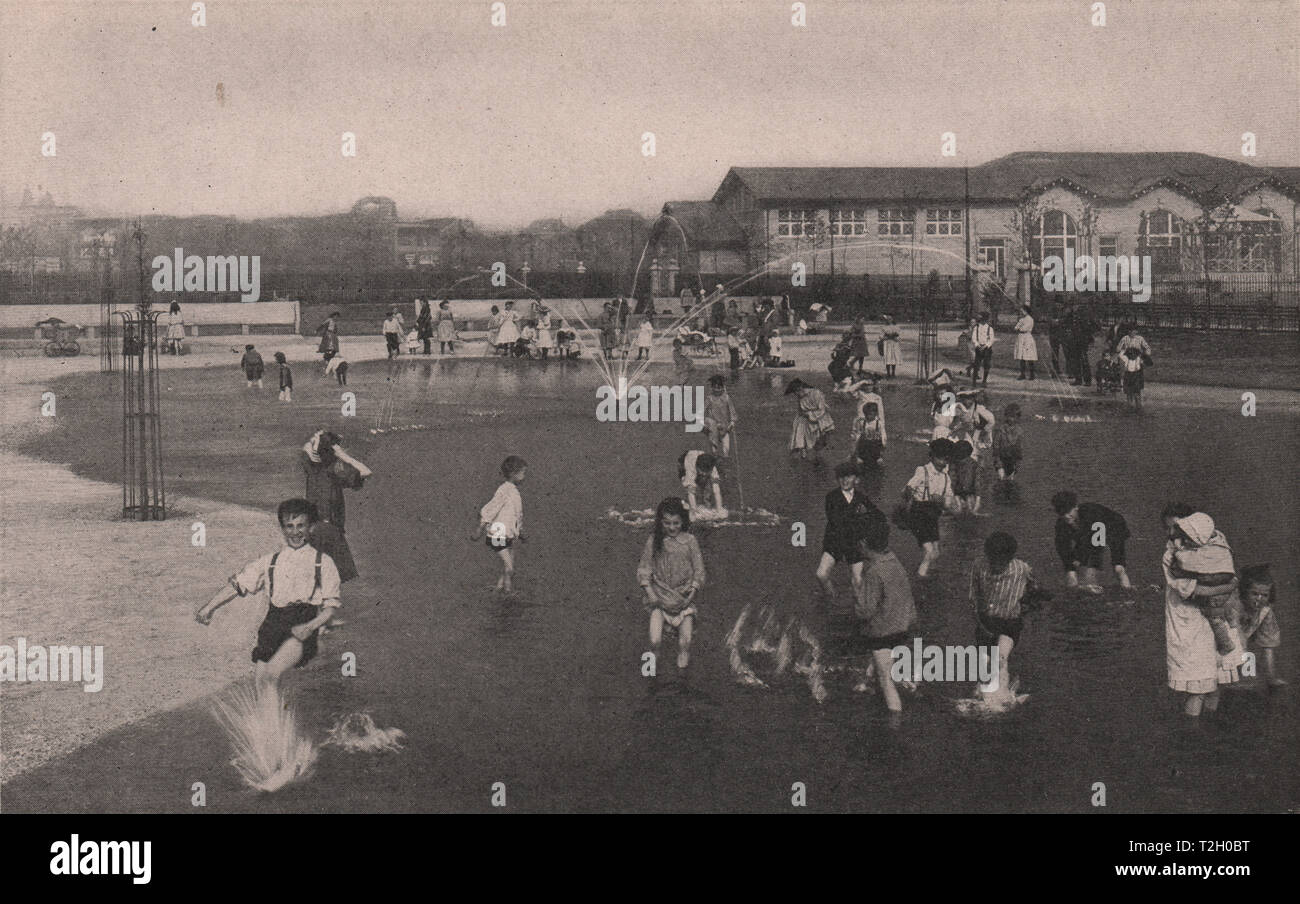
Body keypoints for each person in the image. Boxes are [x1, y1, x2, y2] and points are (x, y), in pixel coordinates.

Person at [196, 498, 342, 685]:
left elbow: (330, 608)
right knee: (261, 683)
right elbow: (237, 585)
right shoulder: (270, 561)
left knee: (270, 676)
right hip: (272, 626)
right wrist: (209, 608)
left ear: (311, 528)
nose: (295, 532)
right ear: (282, 529)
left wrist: (311, 626)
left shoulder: (323, 562)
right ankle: (272, 714)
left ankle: (276, 712)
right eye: (289, 526)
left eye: (301, 526)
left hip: (302, 625)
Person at [1161, 503, 1243, 719]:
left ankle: (1209, 732)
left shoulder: (1216, 548)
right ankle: (1192, 737)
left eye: (1176, 528)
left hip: (1218, 620)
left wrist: (1229, 589)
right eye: (1167, 528)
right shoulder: (1173, 556)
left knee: (1217, 683)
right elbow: (1193, 590)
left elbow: (1226, 571)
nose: (1171, 534)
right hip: (1190, 624)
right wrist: (1228, 586)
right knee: (1197, 689)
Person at [970, 531, 1047, 703]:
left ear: (1010, 559)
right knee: (986, 662)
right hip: (985, 622)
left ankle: (1003, 696)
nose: (996, 566)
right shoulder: (979, 566)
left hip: (1010, 622)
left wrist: (1034, 604)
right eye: (992, 561)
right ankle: (982, 692)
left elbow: (1036, 589)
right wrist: (978, 620)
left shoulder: (1022, 568)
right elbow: (973, 597)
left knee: (1000, 659)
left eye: (1001, 563)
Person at [638, 497, 706, 677]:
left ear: (683, 521)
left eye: (676, 523)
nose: (672, 527)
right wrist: (651, 594)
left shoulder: (690, 541)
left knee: (685, 644)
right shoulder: (654, 540)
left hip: (684, 602)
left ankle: (681, 679)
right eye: (667, 523)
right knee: (654, 641)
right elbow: (644, 570)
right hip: (659, 600)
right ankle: (650, 676)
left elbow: (699, 571)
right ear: (660, 522)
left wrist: (692, 593)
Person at [854, 518, 916, 714]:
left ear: (863, 544)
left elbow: (865, 611)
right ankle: (864, 683)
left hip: (882, 634)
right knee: (885, 667)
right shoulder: (893, 560)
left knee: (886, 680)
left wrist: (856, 592)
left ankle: (895, 722)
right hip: (902, 627)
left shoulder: (873, 572)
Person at [1166, 513, 1240, 655]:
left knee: (1213, 616)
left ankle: (1226, 643)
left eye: (1189, 538)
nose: (1186, 541)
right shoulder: (1219, 542)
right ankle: (1231, 623)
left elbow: (1186, 563)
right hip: (1227, 585)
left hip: (1213, 589)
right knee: (1226, 610)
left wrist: (1179, 551)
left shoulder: (1204, 553)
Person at [817, 461, 884, 604]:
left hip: (855, 544)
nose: (844, 480)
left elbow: (877, 517)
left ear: (857, 480)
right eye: (841, 477)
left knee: (858, 581)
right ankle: (832, 597)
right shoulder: (831, 497)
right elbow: (836, 520)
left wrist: (867, 523)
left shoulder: (862, 498)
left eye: (848, 477)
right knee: (821, 574)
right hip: (835, 542)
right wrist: (861, 516)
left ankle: (858, 607)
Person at [1051, 491, 1133, 592]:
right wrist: (1071, 572)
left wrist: (1090, 579)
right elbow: (1063, 549)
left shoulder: (1092, 515)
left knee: (1118, 568)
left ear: (1076, 507)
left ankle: (1128, 593)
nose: (1066, 516)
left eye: (1068, 511)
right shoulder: (1061, 525)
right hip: (1086, 533)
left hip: (1114, 527)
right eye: (1062, 513)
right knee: (1075, 567)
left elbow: (1097, 549)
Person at [470, 456, 528, 593]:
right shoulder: (504, 490)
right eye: (523, 473)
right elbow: (492, 508)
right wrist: (480, 527)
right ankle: (508, 591)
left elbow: (517, 514)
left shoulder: (514, 491)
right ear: (514, 474)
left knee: (508, 564)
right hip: (497, 535)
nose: (525, 476)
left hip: (508, 535)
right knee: (509, 567)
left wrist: (520, 531)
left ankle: (499, 588)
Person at [901, 437, 954, 577]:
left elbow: (948, 502)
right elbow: (908, 488)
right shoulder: (922, 471)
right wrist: (908, 492)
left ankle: (919, 571)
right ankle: (920, 576)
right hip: (918, 514)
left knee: (935, 552)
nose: (942, 462)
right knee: (929, 551)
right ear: (931, 456)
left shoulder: (946, 478)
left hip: (933, 516)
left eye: (946, 459)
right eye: (939, 458)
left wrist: (942, 500)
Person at [1235, 564, 1286, 686]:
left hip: (1238, 648)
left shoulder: (1265, 611)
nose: (1259, 599)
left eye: (1264, 595)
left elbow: (1268, 645)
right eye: (1254, 594)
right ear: (1244, 592)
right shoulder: (1234, 606)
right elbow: (1238, 640)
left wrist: (1271, 677)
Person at [786, 378, 834, 462]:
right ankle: (802, 453)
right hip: (805, 420)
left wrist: (809, 415)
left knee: (819, 444)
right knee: (799, 434)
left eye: (796, 391)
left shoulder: (816, 393)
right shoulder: (800, 397)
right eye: (795, 393)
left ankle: (819, 460)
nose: (796, 394)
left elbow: (822, 410)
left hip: (820, 419)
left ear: (801, 388)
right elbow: (800, 410)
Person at [679, 449, 724, 513]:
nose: (704, 474)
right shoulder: (691, 468)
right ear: (697, 467)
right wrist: (694, 510)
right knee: (690, 486)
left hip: (701, 459)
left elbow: (716, 490)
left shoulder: (712, 467)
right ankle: (687, 503)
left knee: (707, 487)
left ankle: (706, 505)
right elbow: (690, 490)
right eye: (702, 473)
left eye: (706, 473)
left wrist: (719, 508)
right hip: (686, 459)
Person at [991, 403, 1023, 491]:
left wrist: (1017, 464)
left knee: (1010, 481)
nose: (1011, 419)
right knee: (1001, 478)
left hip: (1012, 459)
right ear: (1006, 416)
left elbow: (1019, 448)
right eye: (1009, 416)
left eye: (1014, 417)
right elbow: (995, 445)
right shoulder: (1000, 429)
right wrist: (997, 461)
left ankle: (1009, 498)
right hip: (1001, 457)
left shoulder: (1019, 431)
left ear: (1018, 418)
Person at [703, 375, 737, 458]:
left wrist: (732, 422)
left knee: (726, 448)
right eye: (714, 388)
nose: (717, 390)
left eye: (719, 388)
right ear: (712, 388)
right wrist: (703, 423)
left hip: (725, 426)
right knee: (714, 448)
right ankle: (715, 460)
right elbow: (702, 410)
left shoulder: (726, 398)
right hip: (713, 426)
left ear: (722, 387)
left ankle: (725, 461)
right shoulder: (709, 398)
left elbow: (732, 410)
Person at [850, 401, 886, 470]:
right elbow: (858, 436)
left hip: (874, 446)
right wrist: (855, 451)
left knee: (877, 463)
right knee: (861, 463)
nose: (868, 416)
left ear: (875, 414)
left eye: (870, 414)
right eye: (866, 414)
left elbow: (883, 436)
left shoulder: (878, 423)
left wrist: (882, 451)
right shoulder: (862, 422)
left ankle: (877, 462)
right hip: (864, 446)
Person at [949, 439, 978, 516]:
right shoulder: (973, 463)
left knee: (962, 509)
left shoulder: (972, 464)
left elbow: (952, 479)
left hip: (966, 492)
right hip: (962, 492)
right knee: (965, 510)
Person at [1012, 304, 1038, 380]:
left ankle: (1032, 374)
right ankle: (1022, 374)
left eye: (1023, 310)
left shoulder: (1030, 319)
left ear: (1026, 311)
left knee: (1029, 356)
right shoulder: (1021, 319)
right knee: (1021, 356)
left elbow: (1024, 328)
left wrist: (1020, 328)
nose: (1022, 312)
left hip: (1027, 337)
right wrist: (1019, 327)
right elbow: (1015, 327)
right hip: (1021, 338)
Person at [971, 311, 994, 386]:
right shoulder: (976, 328)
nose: (981, 321)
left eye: (982, 319)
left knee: (986, 364)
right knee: (976, 364)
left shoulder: (990, 328)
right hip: (978, 347)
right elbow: (974, 338)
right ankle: (974, 381)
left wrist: (986, 345)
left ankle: (984, 380)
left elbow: (991, 339)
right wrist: (977, 345)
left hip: (987, 349)